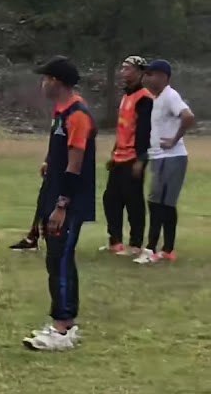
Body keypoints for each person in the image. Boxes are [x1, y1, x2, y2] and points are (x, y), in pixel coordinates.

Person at [24, 56, 95, 352]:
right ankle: (63, 321)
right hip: (54, 192)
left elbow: (76, 164)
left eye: (46, 78)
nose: (42, 83)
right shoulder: (60, 112)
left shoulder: (77, 114)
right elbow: (62, 152)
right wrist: (49, 163)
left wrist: (62, 205)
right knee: (56, 261)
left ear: (57, 81)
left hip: (68, 201)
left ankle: (62, 329)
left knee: (61, 261)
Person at [134, 59, 195, 264]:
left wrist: (174, 139)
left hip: (172, 158)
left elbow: (188, 116)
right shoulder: (156, 98)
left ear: (163, 77)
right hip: (159, 157)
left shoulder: (170, 95)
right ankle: (167, 250)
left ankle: (151, 249)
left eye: (150, 74)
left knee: (158, 202)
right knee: (164, 204)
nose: (146, 77)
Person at [101, 56, 153, 256]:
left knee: (133, 202)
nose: (123, 72)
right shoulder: (126, 96)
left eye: (128, 68)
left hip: (133, 158)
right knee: (111, 199)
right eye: (122, 68)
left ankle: (136, 243)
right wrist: (114, 153)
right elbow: (123, 128)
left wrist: (141, 160)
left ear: (140, 72)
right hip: (119, 157)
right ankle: (115, 241)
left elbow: (145, 132)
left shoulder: (144, 98)